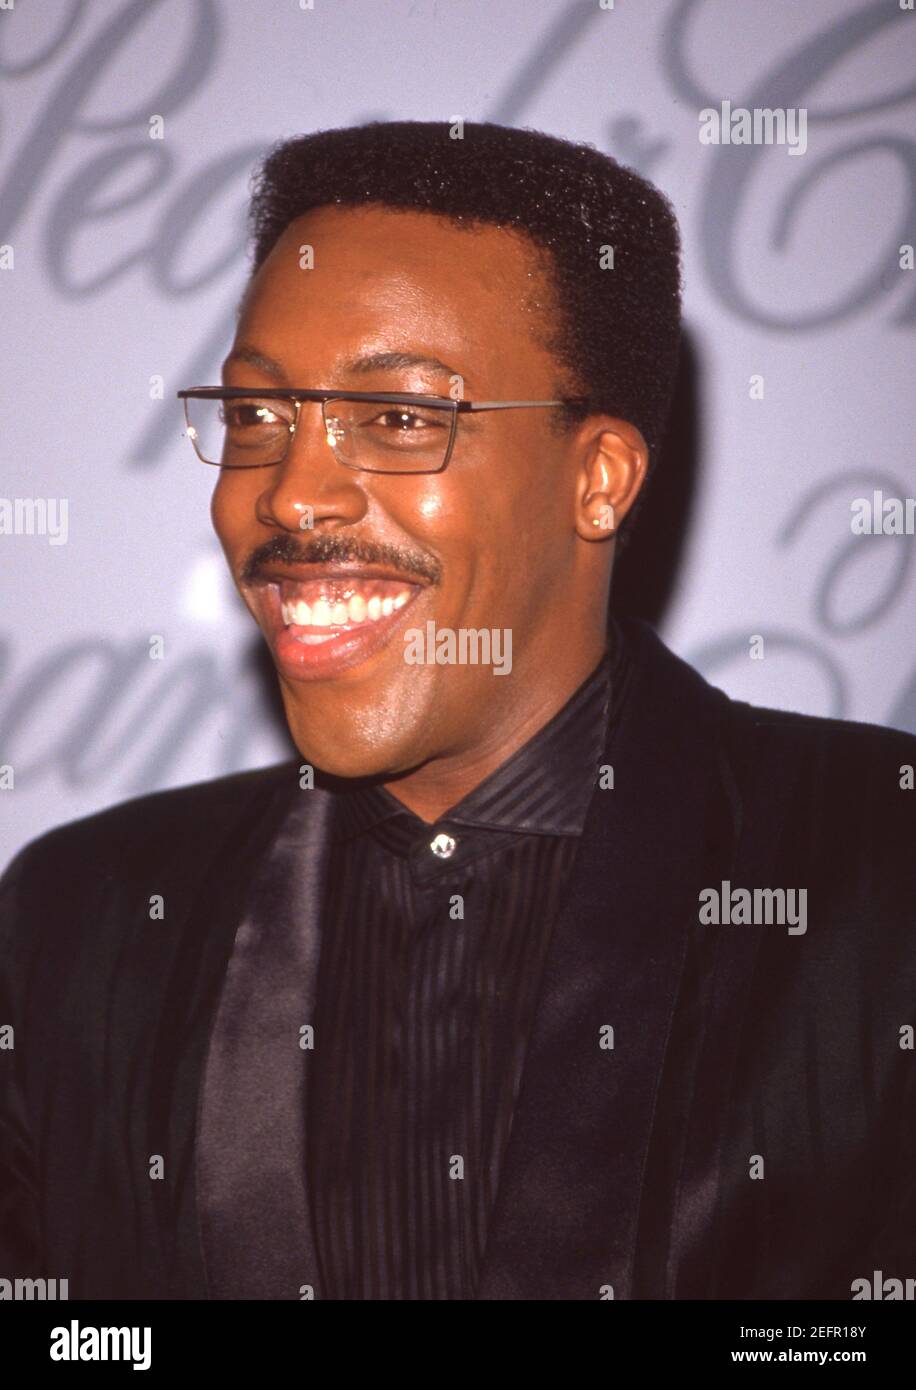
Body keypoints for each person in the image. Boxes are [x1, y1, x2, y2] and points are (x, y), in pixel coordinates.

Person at [1, 121, 914, 1301]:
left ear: (599, 478)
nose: (292, 491)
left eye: (397, 420)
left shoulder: (877, 873)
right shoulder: (83, 922)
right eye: (256, 415)